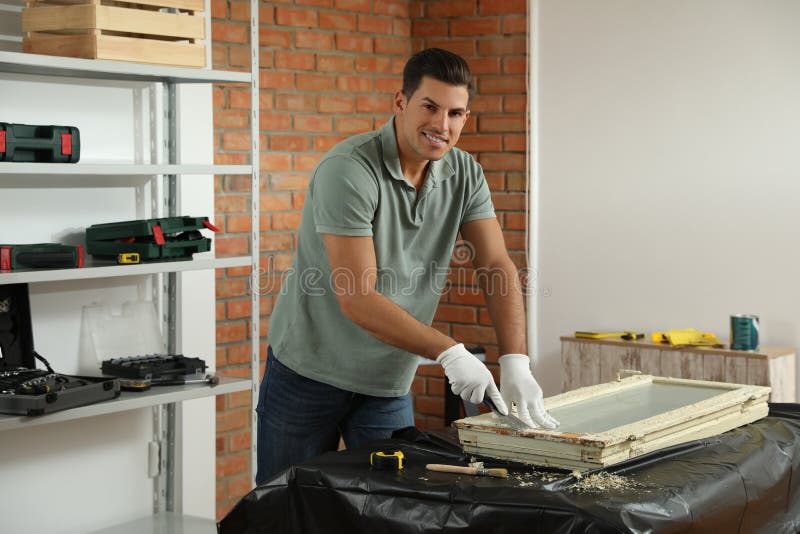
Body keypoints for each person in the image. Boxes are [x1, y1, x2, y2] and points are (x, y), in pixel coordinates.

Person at [255, 47, 558, 485]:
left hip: (387, 381)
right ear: (401, 102)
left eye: (455, 114)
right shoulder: (350, 170)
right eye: (429, 107)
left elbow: (495, 264)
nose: (442, 125)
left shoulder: (466, 174)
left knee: (391, 509)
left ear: (465, 118)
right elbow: (358, 298)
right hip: (309, 373)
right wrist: (448, 350)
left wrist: (516, 360)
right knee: (285, 508)